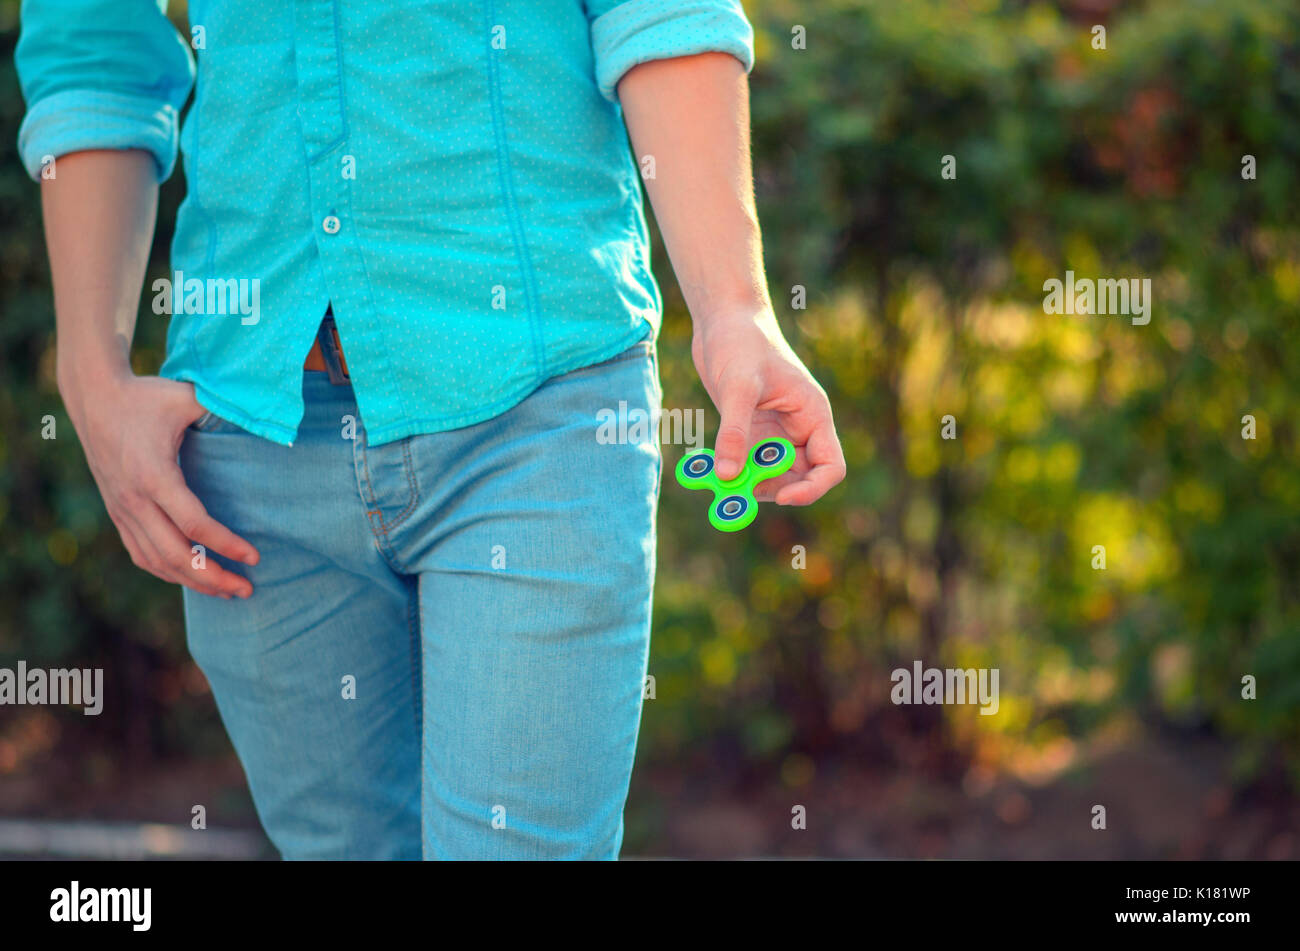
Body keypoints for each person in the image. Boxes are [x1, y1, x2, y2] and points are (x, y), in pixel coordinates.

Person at [16, 0, 845, 859]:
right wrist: (90, 377)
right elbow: (92, 41)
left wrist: (735, 310)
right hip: (251, 430)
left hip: (535, 407)